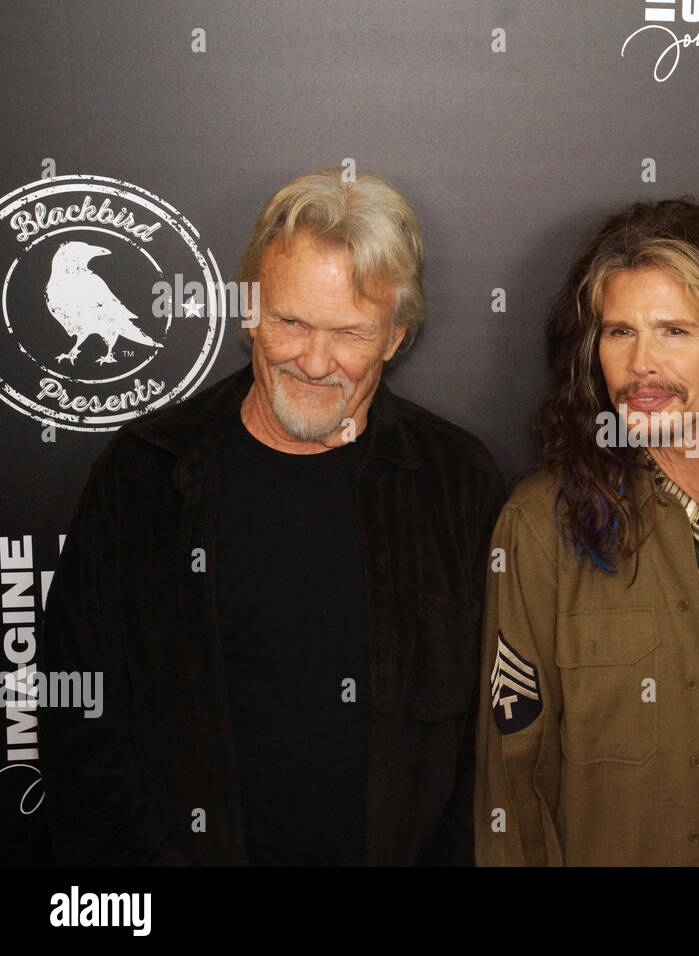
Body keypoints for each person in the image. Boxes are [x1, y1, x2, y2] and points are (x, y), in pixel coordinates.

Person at [39, 168, 503, 865]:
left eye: (349, 332)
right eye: (290, 322)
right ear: (249, 309)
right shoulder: (143, 478)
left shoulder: (456, 483)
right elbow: (79, 717)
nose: (315, 362)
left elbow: (491, 741)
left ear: (396, 336)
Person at [475, 198, 699, 866]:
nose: (641, 365)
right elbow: (511, 781)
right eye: (619, 333)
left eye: (674, 331)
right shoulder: (541, 523)